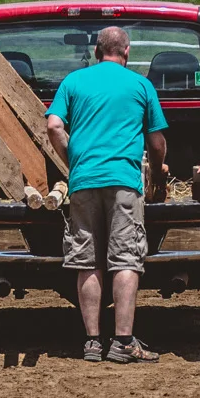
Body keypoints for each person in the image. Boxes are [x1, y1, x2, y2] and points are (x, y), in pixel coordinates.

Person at [46, 24, 168, 363]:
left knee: (87, 261)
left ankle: (92, 342)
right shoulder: (140, 85)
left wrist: (73, 160)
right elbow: (157, 141)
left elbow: (53, 125)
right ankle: (123, 341)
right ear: (127, 52)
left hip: (83, 182)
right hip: (124, 183)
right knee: (125, 259)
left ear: (97, 52)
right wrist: (157, 174)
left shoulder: (73, 82)